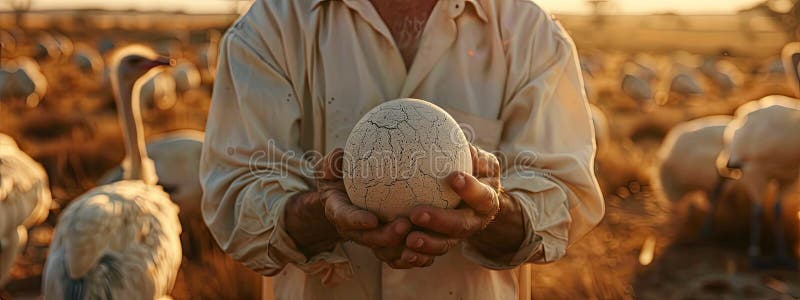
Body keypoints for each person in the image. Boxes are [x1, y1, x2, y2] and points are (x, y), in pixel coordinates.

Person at [200, 0, 605, 299]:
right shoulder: (270, 30)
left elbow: (563, 195)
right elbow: (235, 197)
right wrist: (324, 214)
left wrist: (491, 211)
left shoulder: (530, 34)